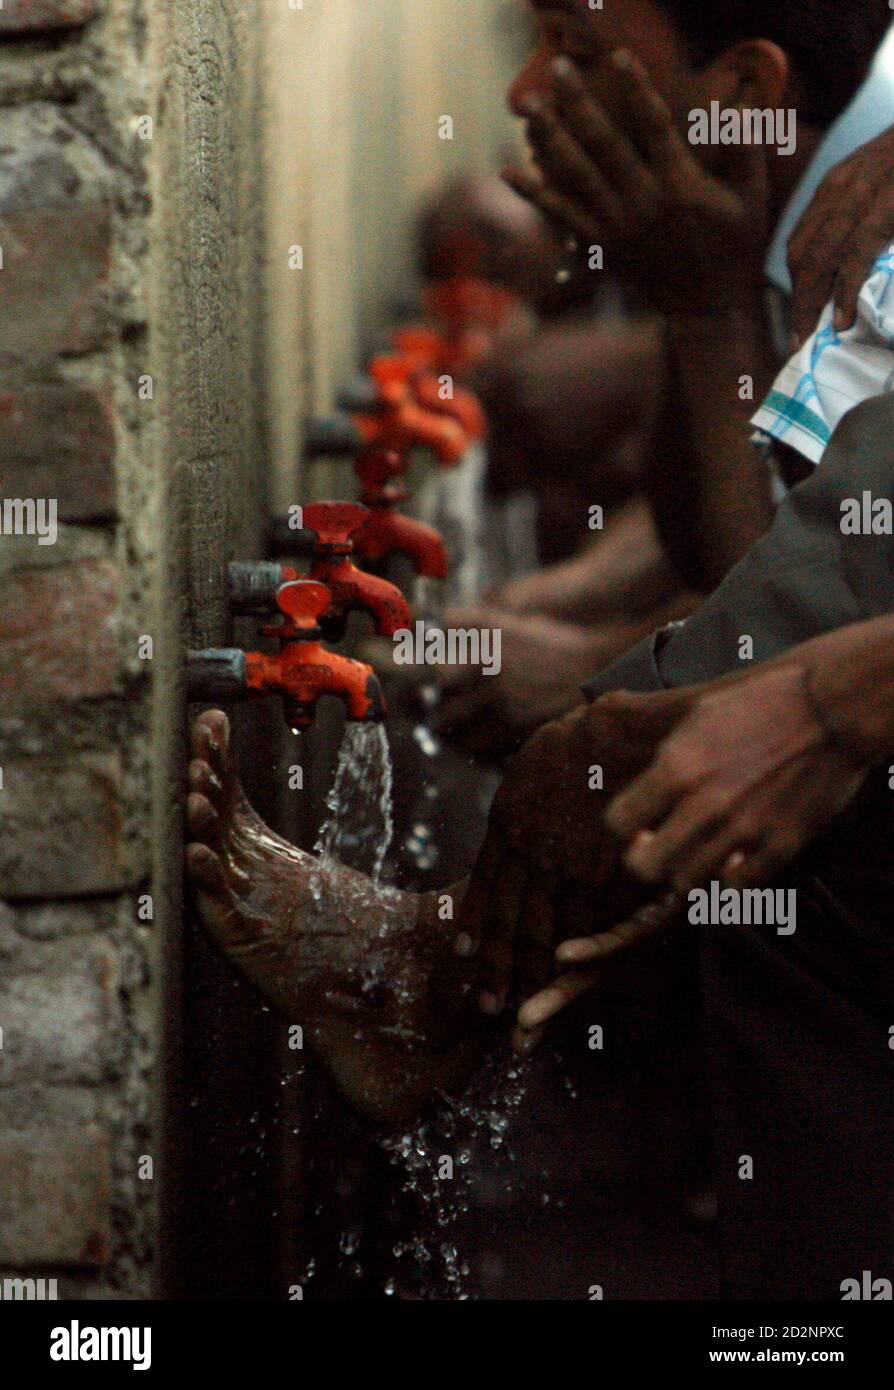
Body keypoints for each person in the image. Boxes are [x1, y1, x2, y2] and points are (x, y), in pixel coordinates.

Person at [436, 0, 894, 755]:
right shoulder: (787, 193)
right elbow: (727, 548)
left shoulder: (869, 268)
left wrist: (709, 313)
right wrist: (694, 302)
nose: (523, 93)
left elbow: (782, 645)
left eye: (572, 51)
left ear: (746, 91)